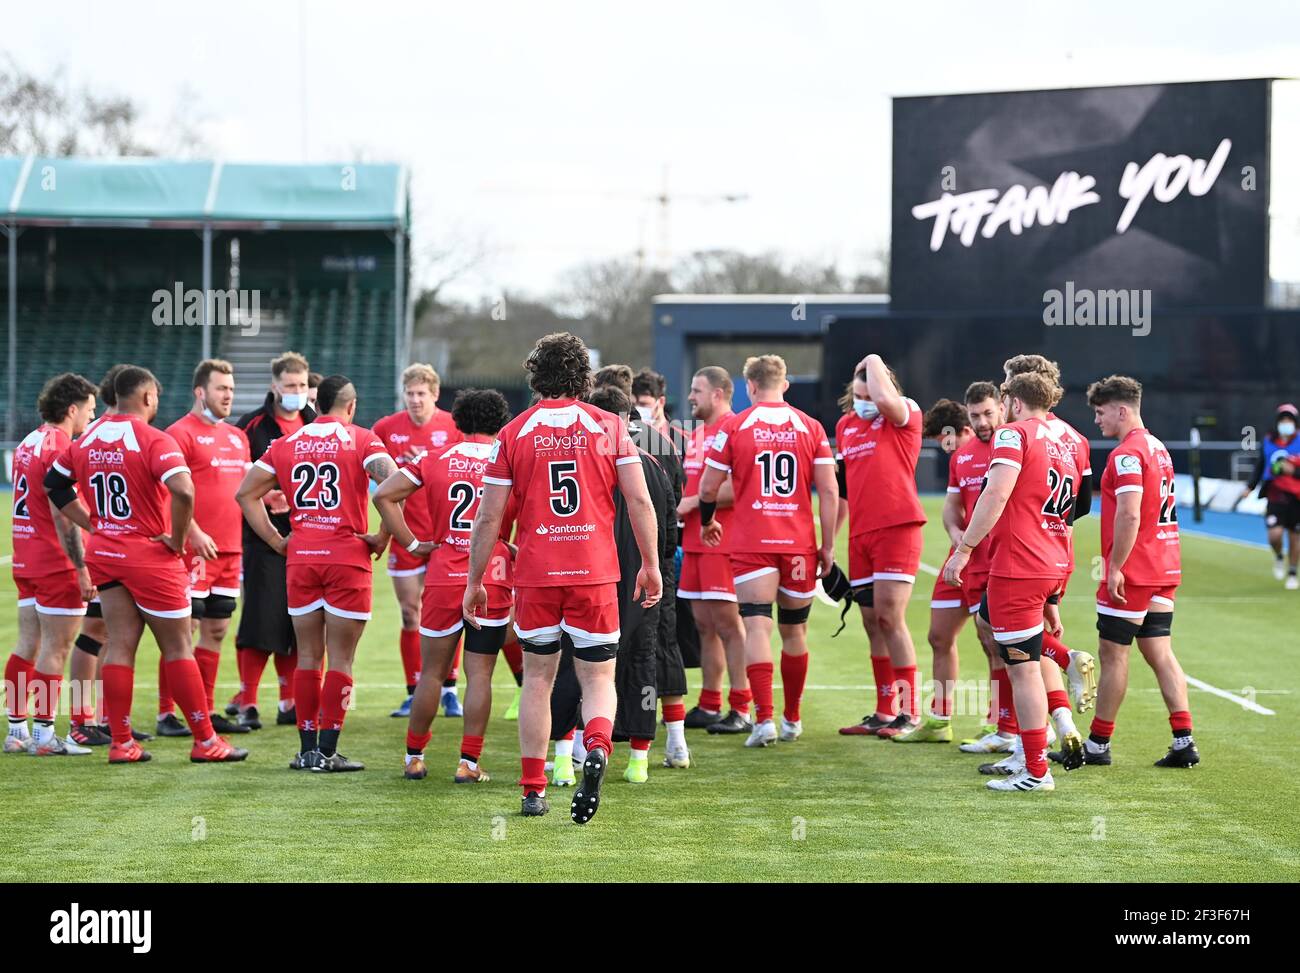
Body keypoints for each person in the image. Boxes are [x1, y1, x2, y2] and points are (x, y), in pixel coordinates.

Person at [464, 332, 662, 821]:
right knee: (598, 677)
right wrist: (651, 565)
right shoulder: (610, 426)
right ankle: (596, 747)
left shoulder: (514, 433)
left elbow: (489, 518)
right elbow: (639, 500)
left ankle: (533, 789)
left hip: (536, 573)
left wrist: (475, 580)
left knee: (537, 679)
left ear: (535, 374)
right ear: (582, 375)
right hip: (594, 571)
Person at [44, 366, 248, 764]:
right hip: (149, 557)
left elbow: (54, 484)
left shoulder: (87, 439)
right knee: (178, 647)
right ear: (148, 398)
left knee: (120, 644)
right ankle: (206, 741)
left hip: (105, 553)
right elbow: (183, 489)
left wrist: (93, 524)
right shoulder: (155, 439)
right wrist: (177, 536)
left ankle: (121, 742)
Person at [237, 375, 393, 772]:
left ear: (315, 403)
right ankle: (328, 750)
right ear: (351, 405)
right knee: (341, 660)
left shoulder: (286, 444)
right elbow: (392, 484)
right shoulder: (361, 439)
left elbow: (245, 494)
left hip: (302, 557)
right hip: (347, 558)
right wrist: (382, 535)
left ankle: (306, 749)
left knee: (308, 656)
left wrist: (277, 541)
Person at [943, 370, 1081, 791]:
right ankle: (1063, 659)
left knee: (1020, 669)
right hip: (1052, 560)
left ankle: (1036, 771)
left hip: (1019, 564)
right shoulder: (1069, 442)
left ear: (1013, 402)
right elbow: (1073, 515)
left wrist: (964, 549)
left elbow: (996, 494)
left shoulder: (1014, 435)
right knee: (1019, 654)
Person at [373, 388, 515, 783]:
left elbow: (384, 496)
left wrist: (413, 543)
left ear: (456, 422)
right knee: (480, 675)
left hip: (442, 576)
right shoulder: (509, 461)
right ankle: (468, 764)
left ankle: (414, 758)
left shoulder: (434, 459)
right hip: (491, 577)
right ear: (500, 423)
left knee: (431, 673)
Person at [697, 354, 839, 749]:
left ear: (750, 387)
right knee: (795, 631)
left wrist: (708, 520)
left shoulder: (735, 425)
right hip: (798, 543)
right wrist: (827, 544)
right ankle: (792, 719)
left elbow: (708, 488)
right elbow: (829, 491)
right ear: (786, 384)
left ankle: (764, 721)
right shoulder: (810, 427)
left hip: (753, 543)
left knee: (757, 626)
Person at [1072, 375, 1198, 768]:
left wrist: (1115, 567)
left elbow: (1128, 512)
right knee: (1159, 651)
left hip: (1136, 570)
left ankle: (1097, 745)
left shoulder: (1126, 455)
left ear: (1121, 409)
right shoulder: (1159, 448)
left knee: (1113, 655)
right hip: (1164, 565)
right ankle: (1183, 740)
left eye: (1100, 412)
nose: (1097, 421)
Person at [6, 373, 100, 755]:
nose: (91, 420)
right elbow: (63, 514)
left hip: (25, 558)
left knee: (28, 642)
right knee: (56, 648)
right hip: (55, 561)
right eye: (90, 412)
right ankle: (45, 736)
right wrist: (81, 566)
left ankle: (17, 731)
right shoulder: (61, 447)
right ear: (72, 409)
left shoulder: (29, 441)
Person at [834, 355, 925, 738]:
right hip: (861, 534)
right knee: (871, 621)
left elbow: (887, 402)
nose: (862, 401)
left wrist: (872, 360)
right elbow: (841, 489)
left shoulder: (903, 414)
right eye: (857, 395)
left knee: (890, 618)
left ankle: (911, 711)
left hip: (898, 527)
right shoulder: (844, 426)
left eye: (868, 394)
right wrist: (828, 543)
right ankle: (885, 710)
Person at [160, 360, 252, 737]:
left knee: (216, 629)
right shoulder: (177, 434)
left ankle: (206, 709)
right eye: (221, 389)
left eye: (231, 388)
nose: (228, 395)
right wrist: (193, 531)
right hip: (191, 551)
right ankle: (167, 713)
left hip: (230, 550)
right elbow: (168, 491)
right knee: (183, 631)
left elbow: (244, 487)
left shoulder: (237, 436)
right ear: (200, 392)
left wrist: (272, 499)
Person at [228, 352, 317, 729]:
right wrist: (264, 495)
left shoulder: (315, 422)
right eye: (290, 386)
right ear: (274, 386)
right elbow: (234, 476)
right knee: (260, 619)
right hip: (262, 536)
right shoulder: (252, 425)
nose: (296, 392)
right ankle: (247, 701)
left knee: (297, 621)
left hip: (309, 534)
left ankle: (288, 701)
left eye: (302, 385)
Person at [373, 364, 465, 720]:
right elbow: (377, 487)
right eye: (409, 393)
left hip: (446, 536)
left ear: (435, 394)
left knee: (450, 614)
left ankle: (450, 690)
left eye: (421, 393)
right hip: (405, 537)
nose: (414, 400)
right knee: (411, 614)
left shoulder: (452, 428)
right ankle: (414, 691)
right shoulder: (385, 429)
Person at [676, 366, 751, 735]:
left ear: (718, 393)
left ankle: (741, 706)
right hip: (694, 542)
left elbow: (740, 487)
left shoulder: (735, 428)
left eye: (696, 390)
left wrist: (690, 504)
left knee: (728, 625)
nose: (691, 397)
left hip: (722, 541)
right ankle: (709, 702)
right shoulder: (699, 433)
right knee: (704, 624)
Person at [1241, 403, 1300, 589]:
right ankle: (1279, 556)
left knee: (1294, 536)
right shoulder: (1268, 441)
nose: (1286, 423)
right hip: (1275, 495)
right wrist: (1250, 486)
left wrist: (1293, 471)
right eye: (1283, 420)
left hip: (1297, 497)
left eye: (1289, 420)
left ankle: (1292, 572)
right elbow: (1261, 465)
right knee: (1275, 535)